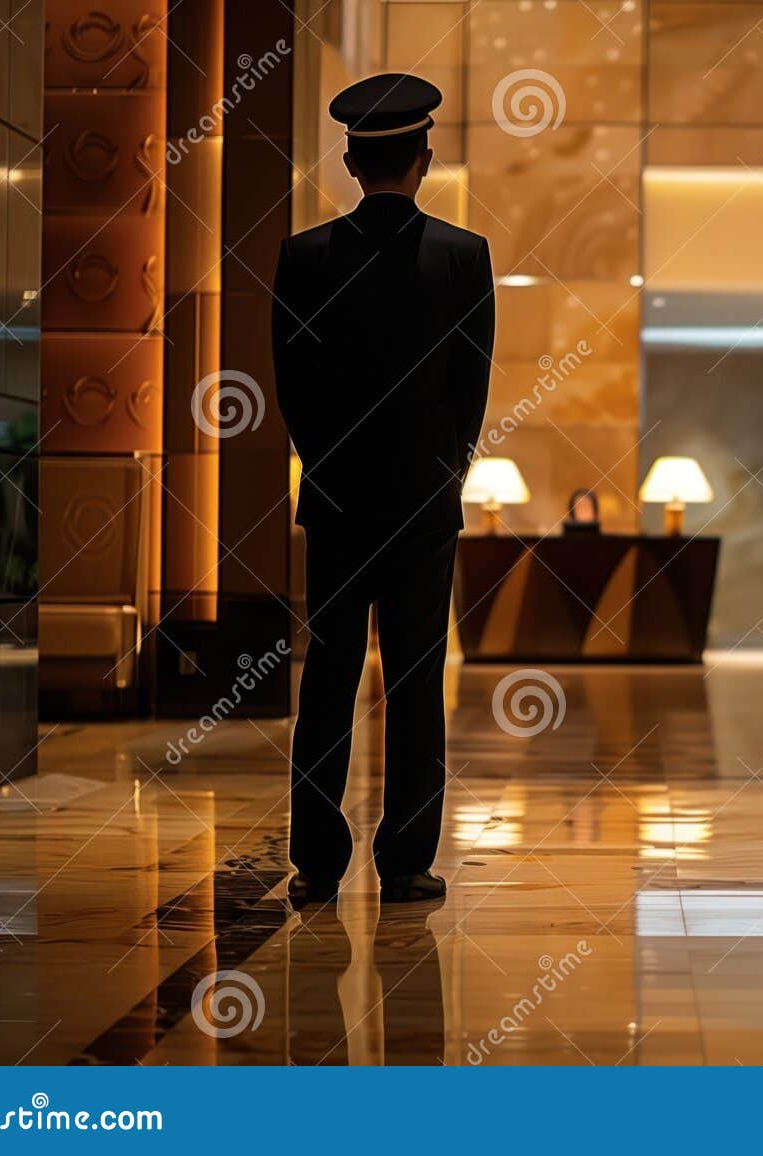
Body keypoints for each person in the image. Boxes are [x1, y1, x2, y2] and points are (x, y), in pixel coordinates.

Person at [271, 73, 493, 906]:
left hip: (335, 502)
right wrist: (443, 474)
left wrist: (329, 469)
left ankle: (318, 858)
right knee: (415, 681)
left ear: (352, 161)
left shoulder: (303, 256)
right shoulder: (463, 257)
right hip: (422, 506)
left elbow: (293, 386)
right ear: (423, 160)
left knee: (326, 680)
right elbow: (470, 390)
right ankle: (406, 859)